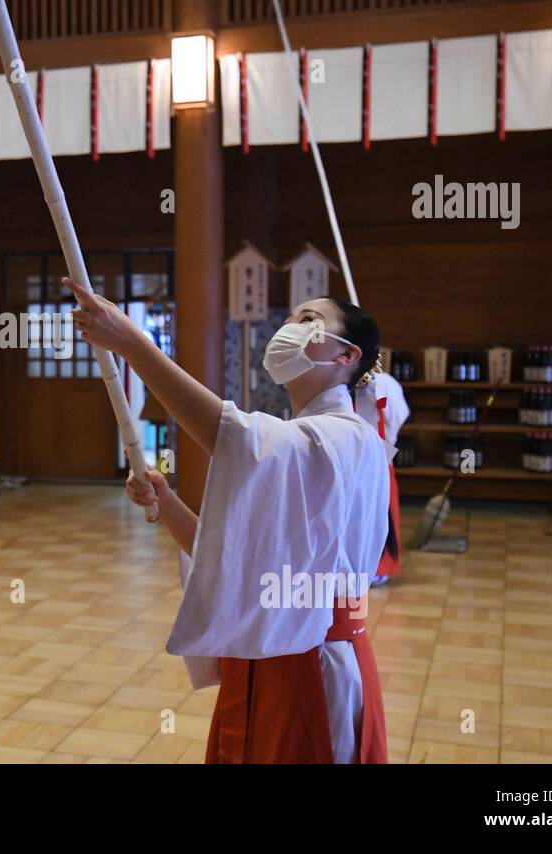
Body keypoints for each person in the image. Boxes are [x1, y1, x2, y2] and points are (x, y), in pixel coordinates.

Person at [67, 278, 390, 764]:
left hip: (316, 662)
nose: (289, 329)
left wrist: (133, 344)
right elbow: (241, 563)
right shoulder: (303, 441)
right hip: (266, 655)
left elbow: (233, 436)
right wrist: (168, 501)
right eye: (288, 320)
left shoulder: (349, 440)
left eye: (308, 321)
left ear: (348, 355)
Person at [356, 371, 410, 583]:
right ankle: (378, 569)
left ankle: (376, 567)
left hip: (372, 455)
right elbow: (399, 415)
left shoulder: (343, 383)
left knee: (376, 513)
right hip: (380, 453)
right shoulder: (387, 383)